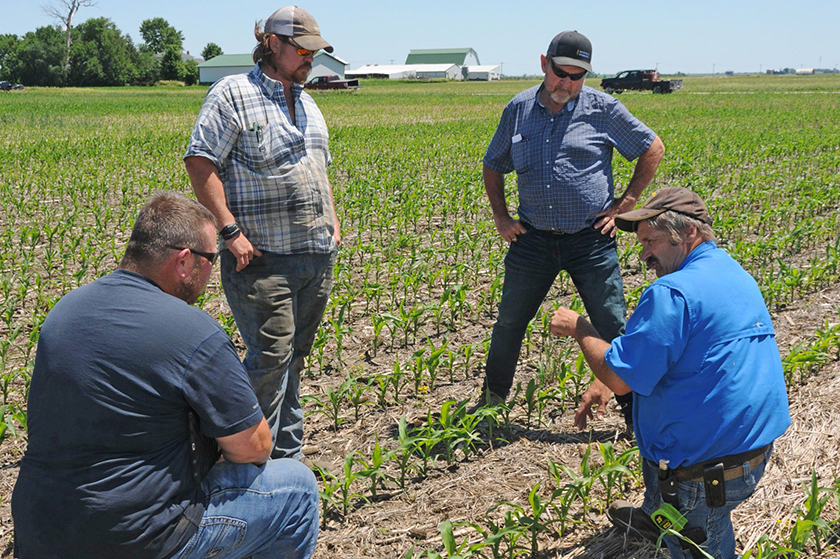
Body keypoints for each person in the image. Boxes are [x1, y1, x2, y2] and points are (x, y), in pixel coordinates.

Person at [12, 191, 319, 559]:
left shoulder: (64, 311)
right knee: (297, 488)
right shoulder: (192, 330)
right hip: (137, 542)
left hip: (40, 532)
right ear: (185, 262)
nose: (212, 272)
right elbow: (254, 446)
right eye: (212, 259)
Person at [549, 187, 791, 559]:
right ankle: (655, 512)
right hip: (752, 446)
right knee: (661, 458)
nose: (644, 253)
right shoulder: (730, 270)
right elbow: (674, 351)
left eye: (651, 240)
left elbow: (620, 378)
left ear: (689, 233)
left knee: (701, 545)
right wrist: (607, 379)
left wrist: (581, 328)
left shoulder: (672, 292)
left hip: (708, 471)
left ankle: (676, 523)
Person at [476, 29, 665, 428]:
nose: (567, 83)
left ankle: (638, 417)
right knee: (509, 321)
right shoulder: (519, 108)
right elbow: (493, 163)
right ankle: (491, 406)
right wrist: (501, 217)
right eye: (561, 72)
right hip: (533, 240)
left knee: (613, 326)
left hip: (591, 241)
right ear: (545, 64)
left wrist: (626, 204)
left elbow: (652, 147)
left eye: (577, 76)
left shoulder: (604, 108)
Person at [184, 6, 340, 463]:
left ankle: (285, 458)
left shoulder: (308, 102)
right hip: (261, 258)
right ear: (272, 44)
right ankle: (243, 462)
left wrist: (333, 221)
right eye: (302, 49)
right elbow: (200, 162)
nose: (311, 58)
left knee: (294, 359)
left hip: (315, 255)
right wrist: (229, 231)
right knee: (270, 358)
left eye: (315, 50)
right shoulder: (232, 94)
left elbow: (318, 168)